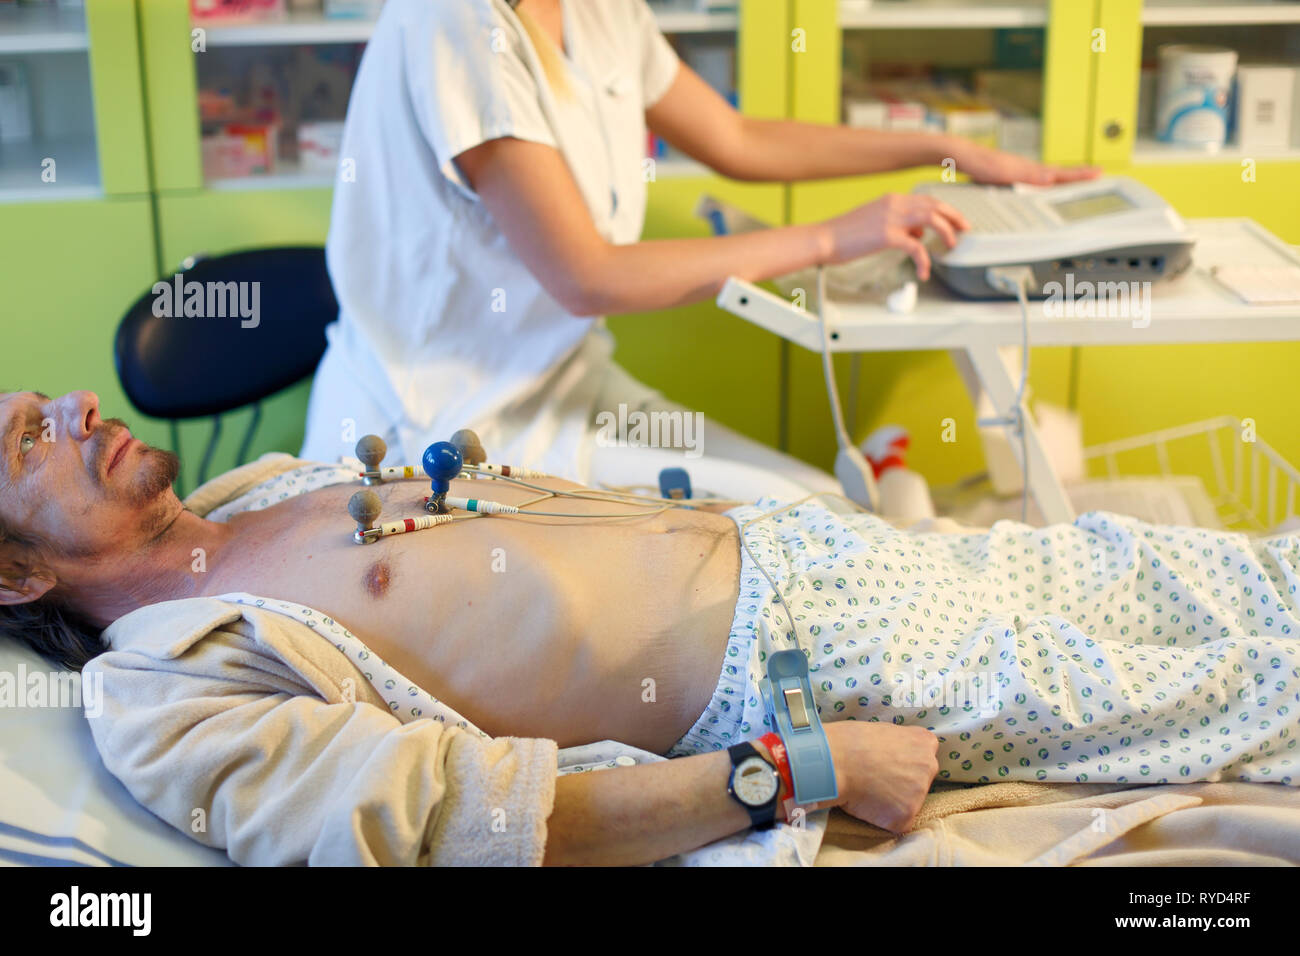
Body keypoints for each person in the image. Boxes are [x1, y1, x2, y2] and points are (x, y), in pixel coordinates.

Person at [6, 390, 1295, 866]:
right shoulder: (168, 696)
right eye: (25, 441)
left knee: (1197, 570)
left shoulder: (253, 494)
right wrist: (798, 769)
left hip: (809, 545)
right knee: (1245, 695)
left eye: (44, 401)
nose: (69, 407)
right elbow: (478, 825)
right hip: (811, 659)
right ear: (13, 577)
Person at [299, 0, 1098, 496]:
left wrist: (940, 148)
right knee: (752, 556)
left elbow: (738, 137)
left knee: (812, 507)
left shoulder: (605, 13)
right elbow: (587, 275)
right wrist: (827, 237)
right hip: (442, 429)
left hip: (569, 387)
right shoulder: (453, 21)